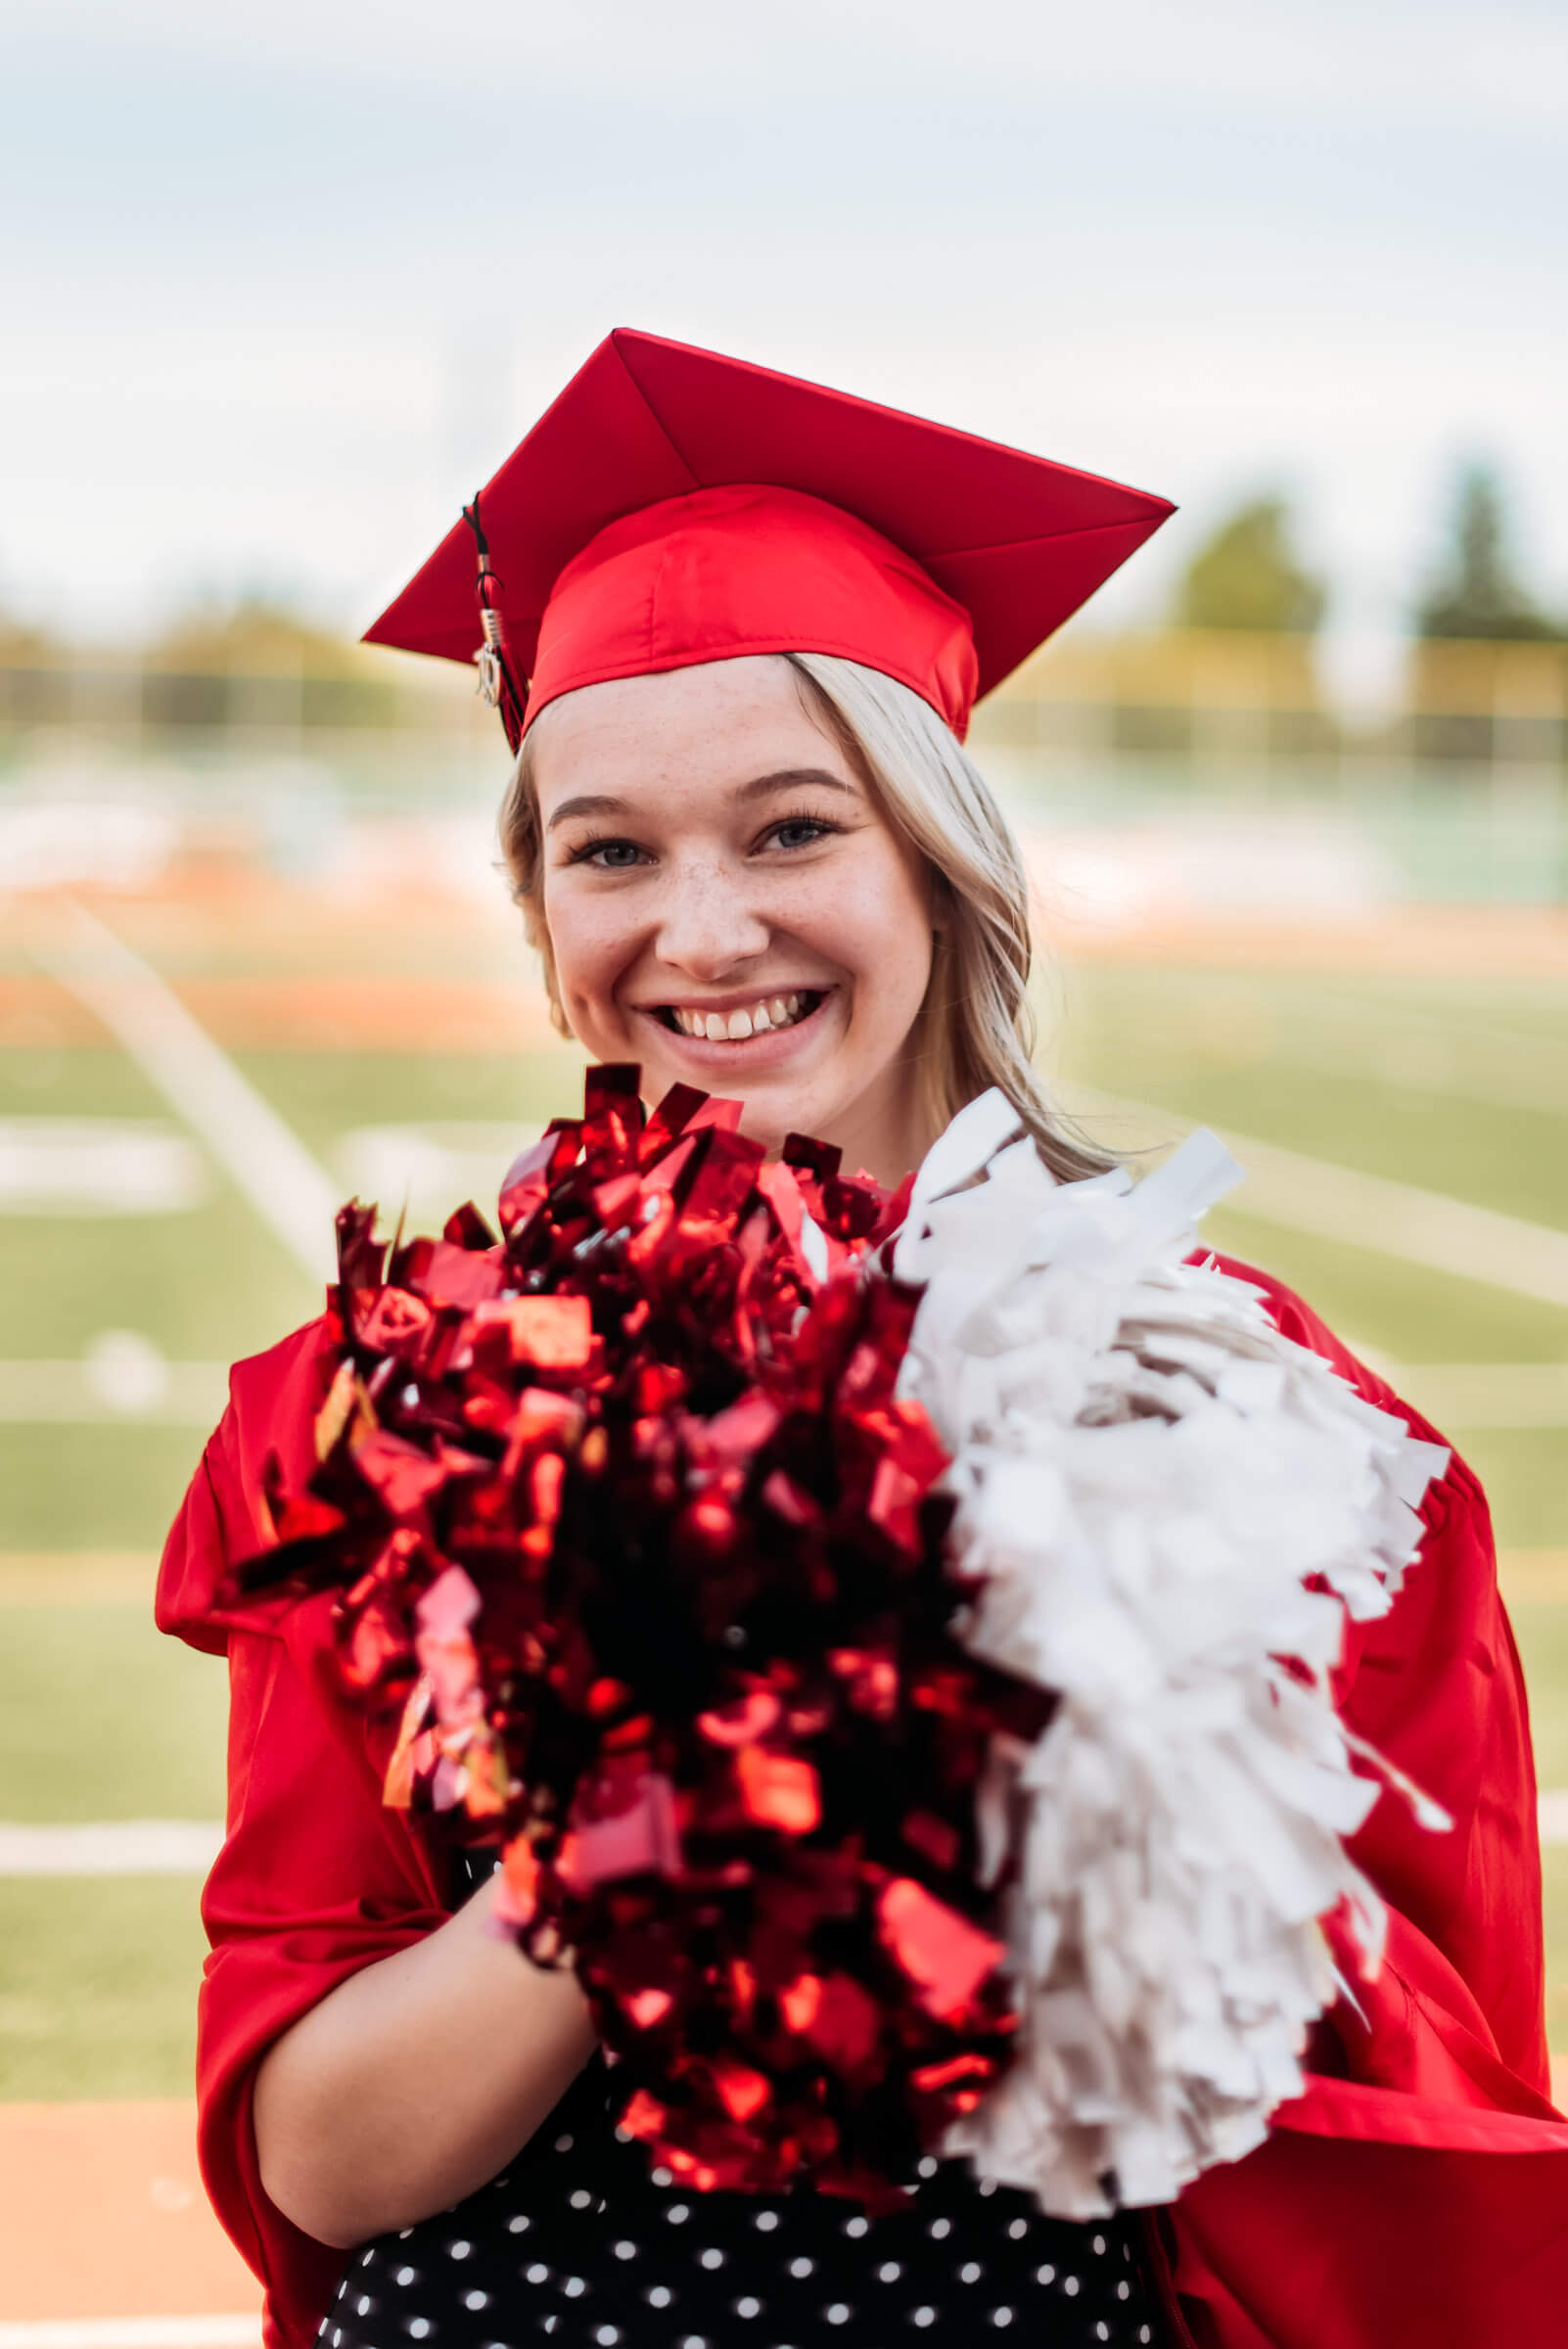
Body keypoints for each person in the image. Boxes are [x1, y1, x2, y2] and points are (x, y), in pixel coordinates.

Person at [157, 332, 1567, 2349]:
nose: (703, 931)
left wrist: (1078, 1746)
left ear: (939, 861)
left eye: (793, 828)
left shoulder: (1241, 1414)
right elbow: (321, 2161)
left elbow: (1411, 2132)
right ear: (544, 917)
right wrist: (665, 1803)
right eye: (610, 849)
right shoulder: (397, 1405)